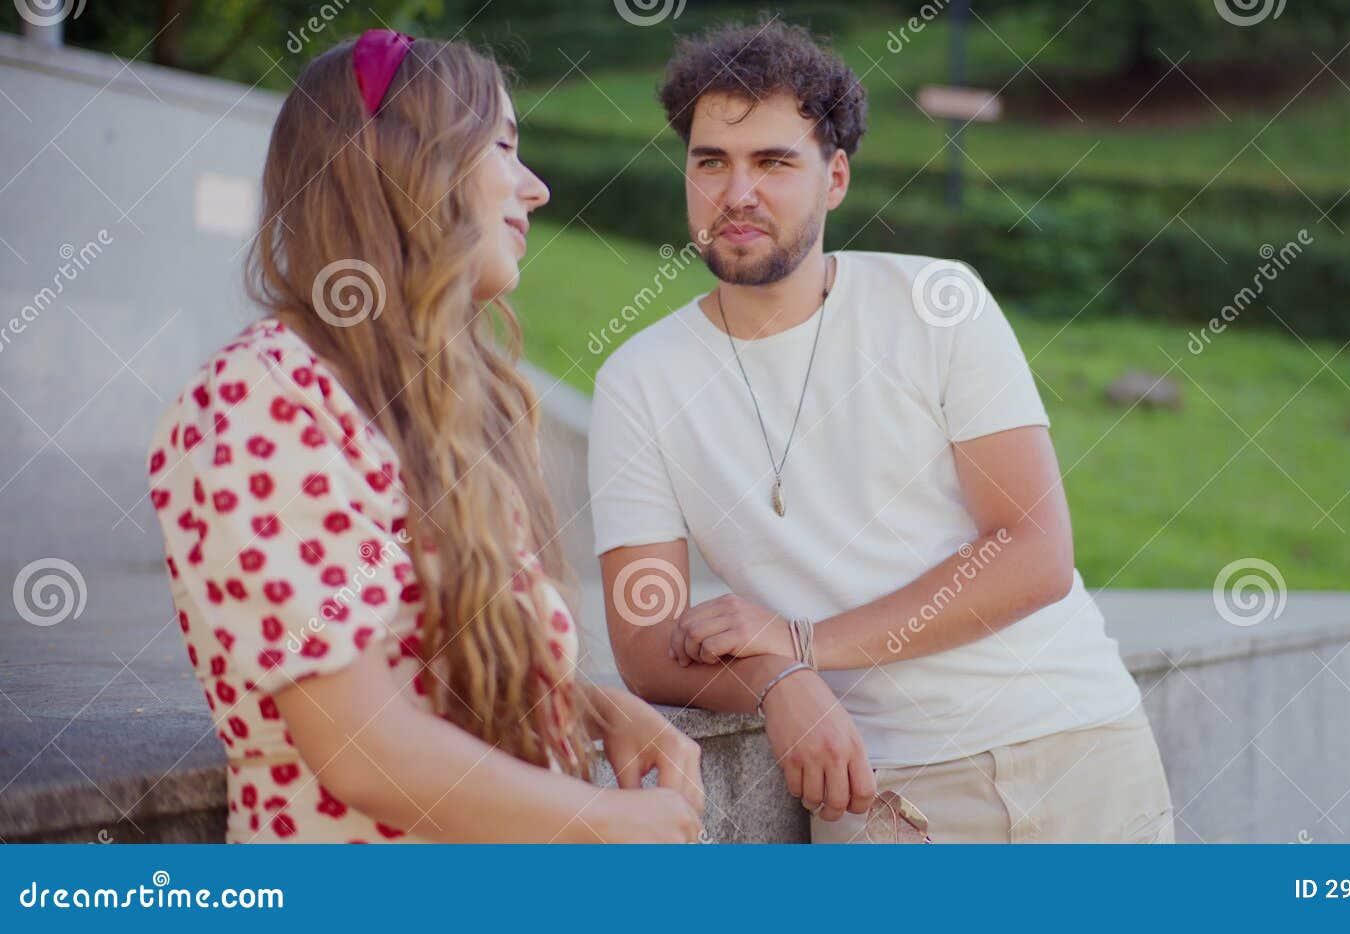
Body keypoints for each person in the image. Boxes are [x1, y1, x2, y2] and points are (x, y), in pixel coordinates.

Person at [590, 19, 1175, 844]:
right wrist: (776, 678)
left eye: (774, 161)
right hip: (878, 790)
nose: (737, 193)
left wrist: (801, 644)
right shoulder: (638, 381)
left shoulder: (938, 302)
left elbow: (1034, 550)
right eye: (711, 162)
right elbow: (647, 646)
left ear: (834, 178)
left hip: (1073, 746)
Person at [147, 30, 702, 843]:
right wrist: (603, 824)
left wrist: (588, 706)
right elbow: (361, 746)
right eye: (503, 146)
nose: (536, 187)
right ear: (407, 164)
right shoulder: (265, 398)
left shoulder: (436, 409)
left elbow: (422, 659)